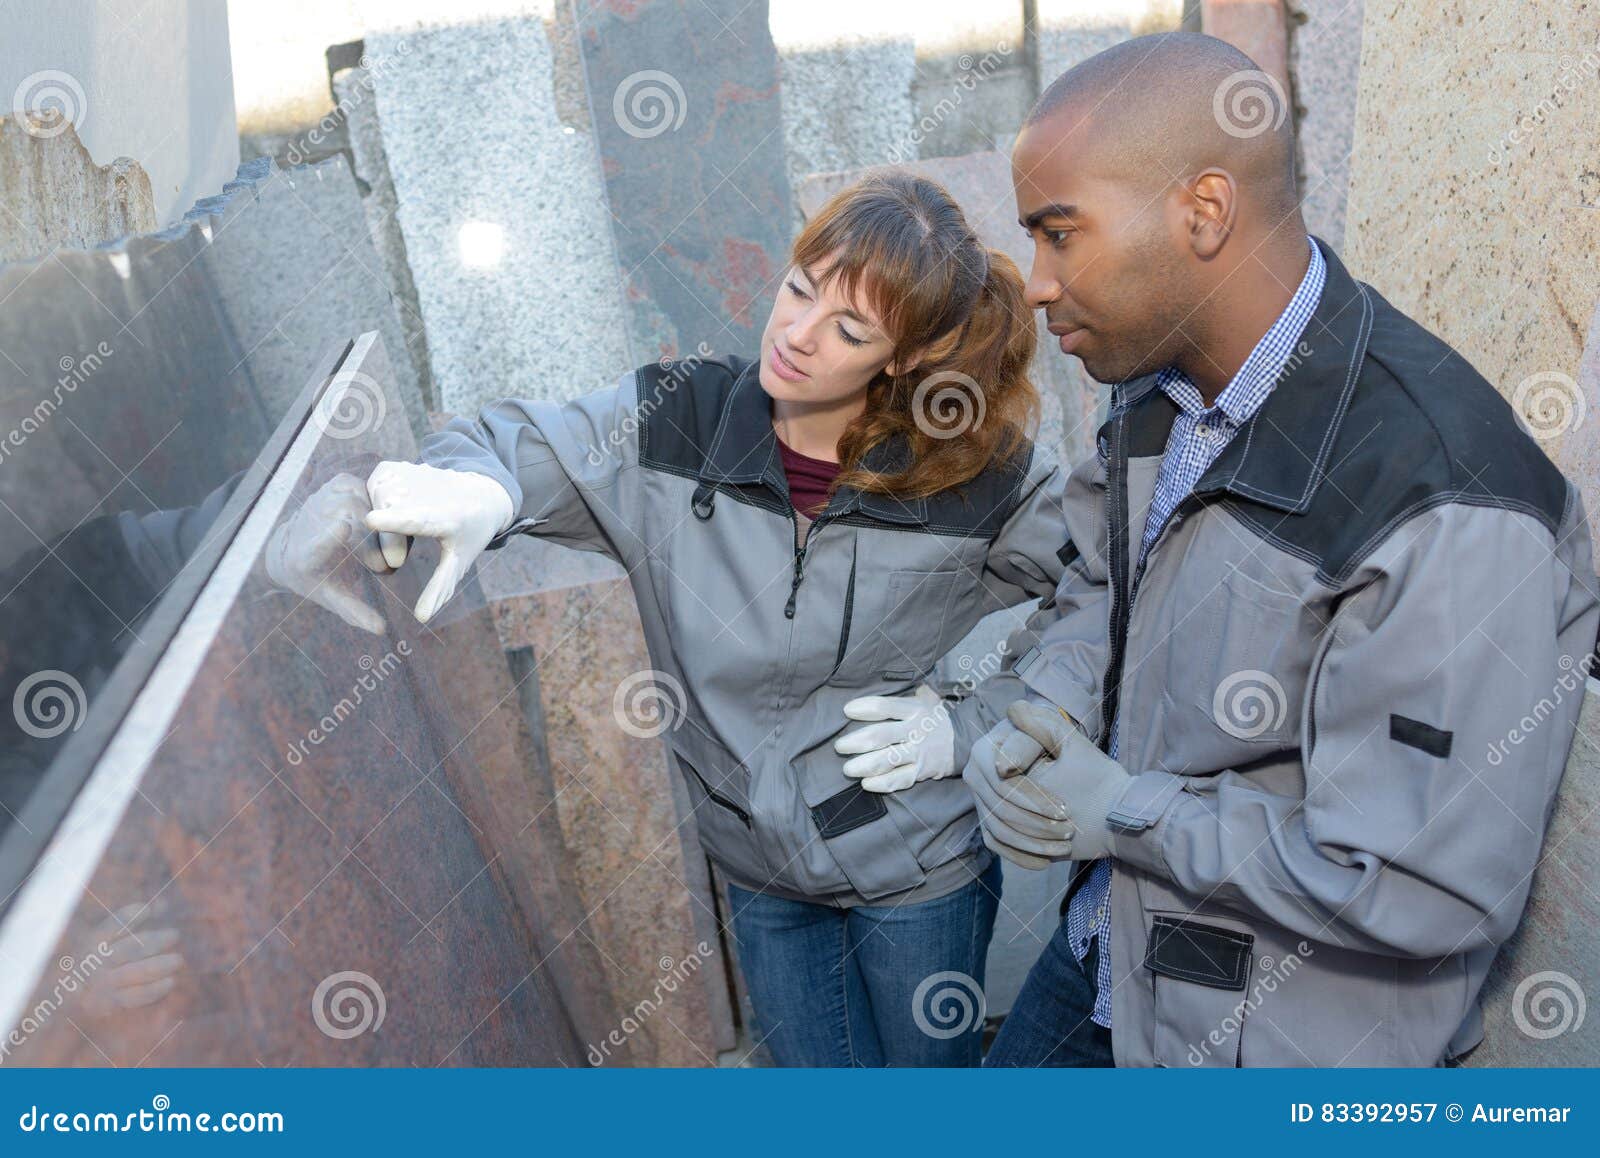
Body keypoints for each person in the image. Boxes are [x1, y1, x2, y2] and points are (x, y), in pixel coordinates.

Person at [967, 31, 1600, 1067]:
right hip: (1106, 954)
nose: (1034, 283)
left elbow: (1419, 881)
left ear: (1202, 212)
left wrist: (1124, 811)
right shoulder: (1152, 386)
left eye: (1058, 233)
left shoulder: (1440, 498)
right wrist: (1048, 712)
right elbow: (1099, 582)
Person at [358, 172, 1071, 1066]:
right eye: (801, 289)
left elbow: (1108, 592)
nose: (797, 336)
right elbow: (517, 442)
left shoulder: (967, 469)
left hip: (913, 860)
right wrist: (476, 485)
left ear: (901, 360)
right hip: (757, 864)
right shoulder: (679, 420)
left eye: (849, 330)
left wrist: (971, 725)